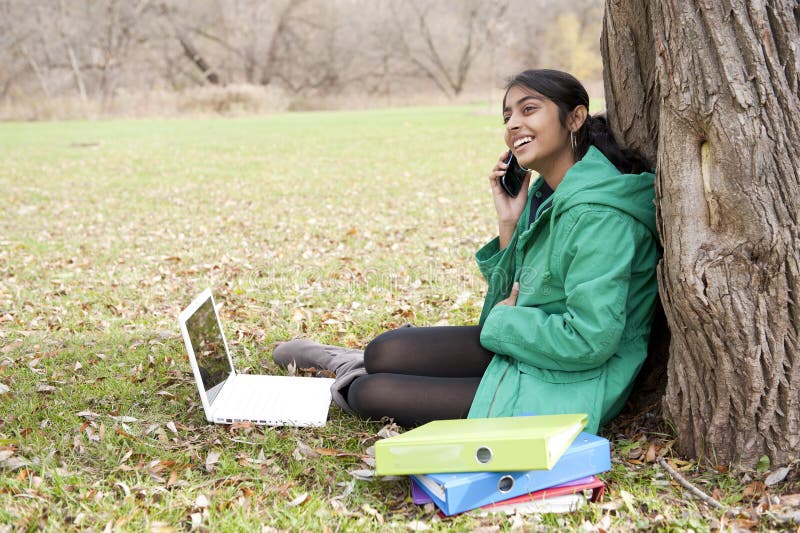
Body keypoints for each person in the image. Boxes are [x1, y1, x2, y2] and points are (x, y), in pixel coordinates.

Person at [273, 69, 659, 434]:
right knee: (383, 350)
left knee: (367, 393)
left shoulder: (601, 217)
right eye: (507, 115)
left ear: (575, 119)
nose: (512, 125)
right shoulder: (547, 196)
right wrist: (509, 222)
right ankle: (348, 359)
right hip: (530, 346)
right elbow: (506, 302)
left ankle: (343, 366)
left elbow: (590, 340)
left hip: (571, 383)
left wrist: (506, 322)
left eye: (529, 110)